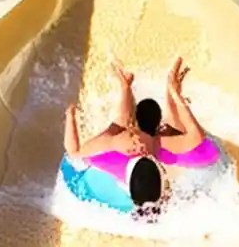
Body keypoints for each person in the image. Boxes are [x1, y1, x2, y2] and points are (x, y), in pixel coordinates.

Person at [64, 60, 169, 210]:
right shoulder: (110, 162)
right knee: (75, 152)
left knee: (122, 124)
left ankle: (126, 85)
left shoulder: (156, 168)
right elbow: (76, 155)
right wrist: (71, 117)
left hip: (145, 145)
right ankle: (69, 112)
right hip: (121, 148)